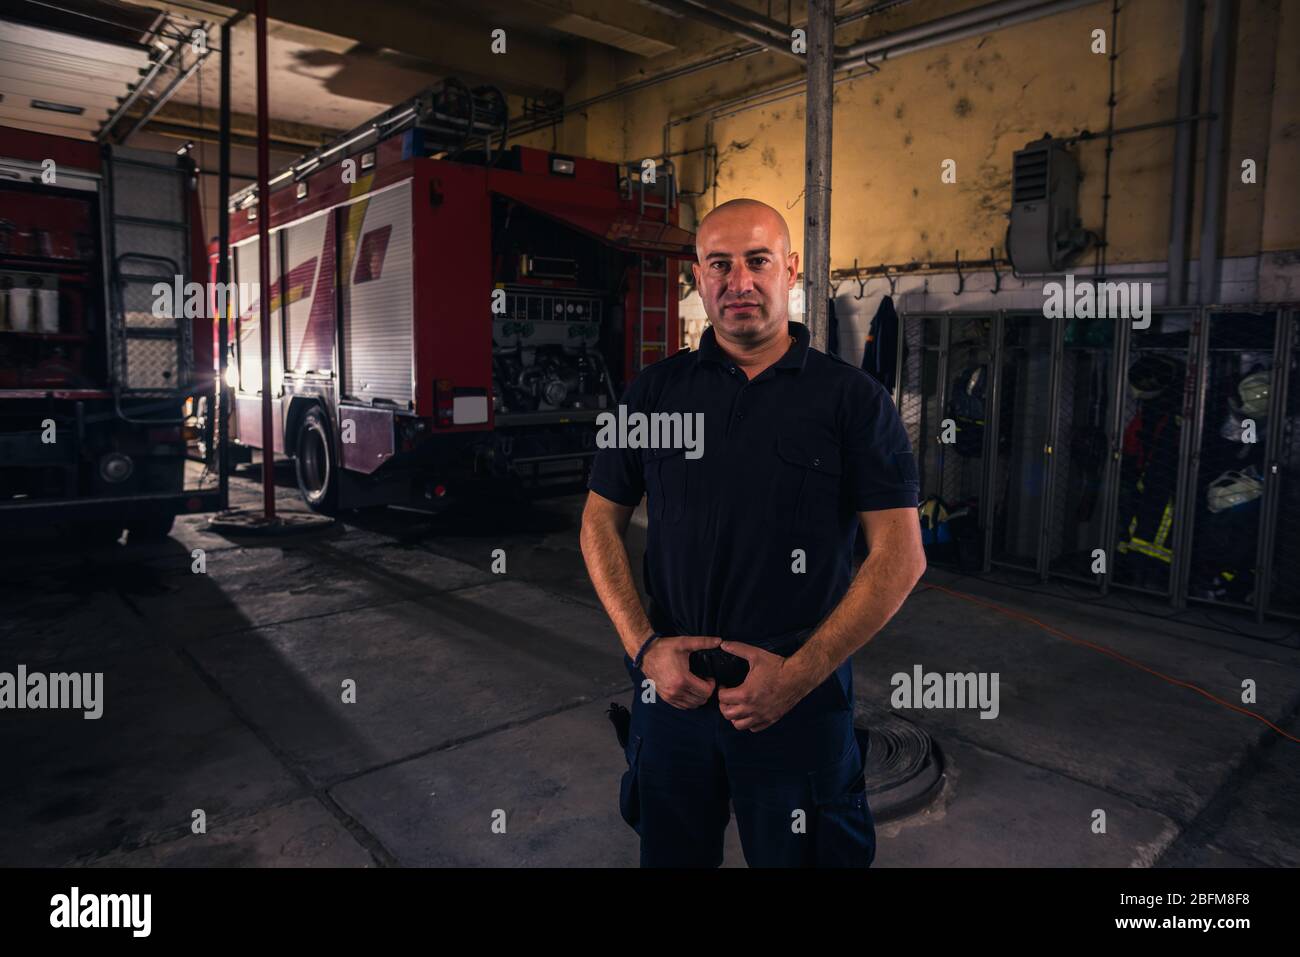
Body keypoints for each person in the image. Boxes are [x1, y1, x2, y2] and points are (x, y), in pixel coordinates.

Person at [580, 198, 925, 867]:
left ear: (790, 269)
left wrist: (795, 678)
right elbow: (598, 518)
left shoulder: (853, 402)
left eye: (758, 260)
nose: (739, 281)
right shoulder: (651, 395)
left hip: (799, 701)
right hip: (672, 697)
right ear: (698, 277)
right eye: (720, 264)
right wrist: (644, 647)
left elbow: (901, 556)